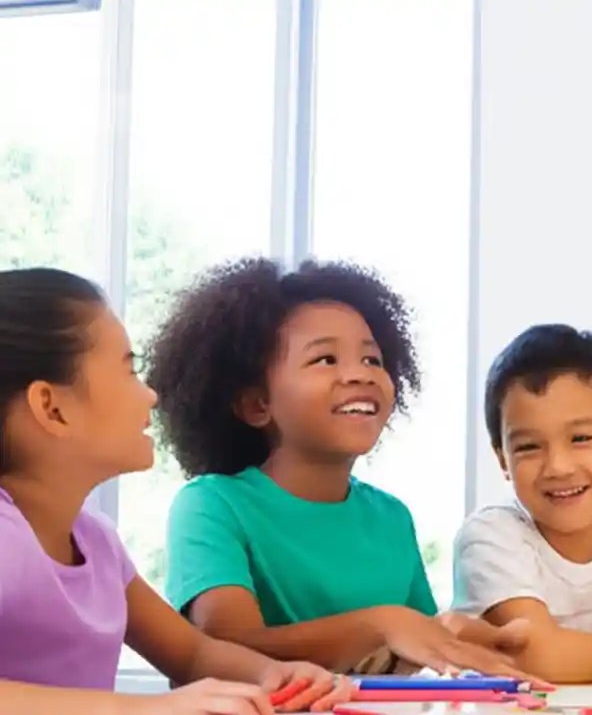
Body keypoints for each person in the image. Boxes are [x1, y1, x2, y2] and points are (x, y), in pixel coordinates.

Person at [150, 258, 530, 678]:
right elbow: (223, 647)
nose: (360, 375)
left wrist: (453, 633)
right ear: (257, 404)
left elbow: (409, 650)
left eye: (372, 360)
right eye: (325, 359)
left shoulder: (391, 517)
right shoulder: (212, 505)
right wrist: (379, 625)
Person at [0, 267, 351, 714]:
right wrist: (142, 709)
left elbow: (192, 654)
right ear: (53, 409)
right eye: (130, 370)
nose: (150, 395)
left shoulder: (96, 541)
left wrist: (274, 674)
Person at [452, 325, 592, 683]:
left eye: (581, 438)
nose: (558, 467)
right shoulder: (489, 535)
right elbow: (538, 658)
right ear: (503, 459)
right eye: (528, 446)